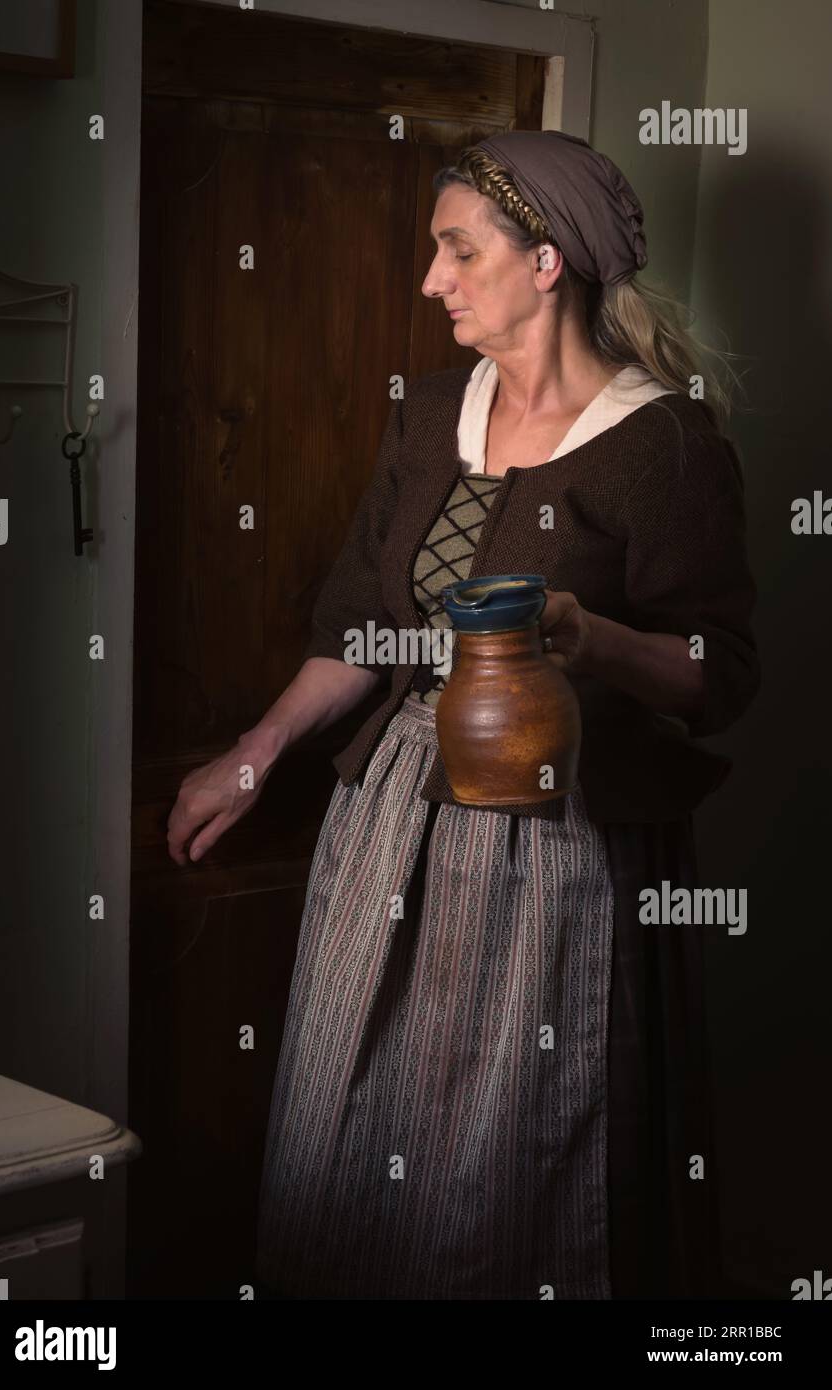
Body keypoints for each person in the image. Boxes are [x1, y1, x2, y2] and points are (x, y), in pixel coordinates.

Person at [167, 131, 760, 1300]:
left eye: (457, 252)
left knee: (511, 1156)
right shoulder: (431, 410)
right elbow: (357, 622)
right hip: (392, 822)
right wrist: (255, 753)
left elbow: (720, 671)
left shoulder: (666, 445)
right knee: (348, 1116)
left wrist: (594, 638)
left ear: (546, 263)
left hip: (556, 848)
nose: (432, 280)